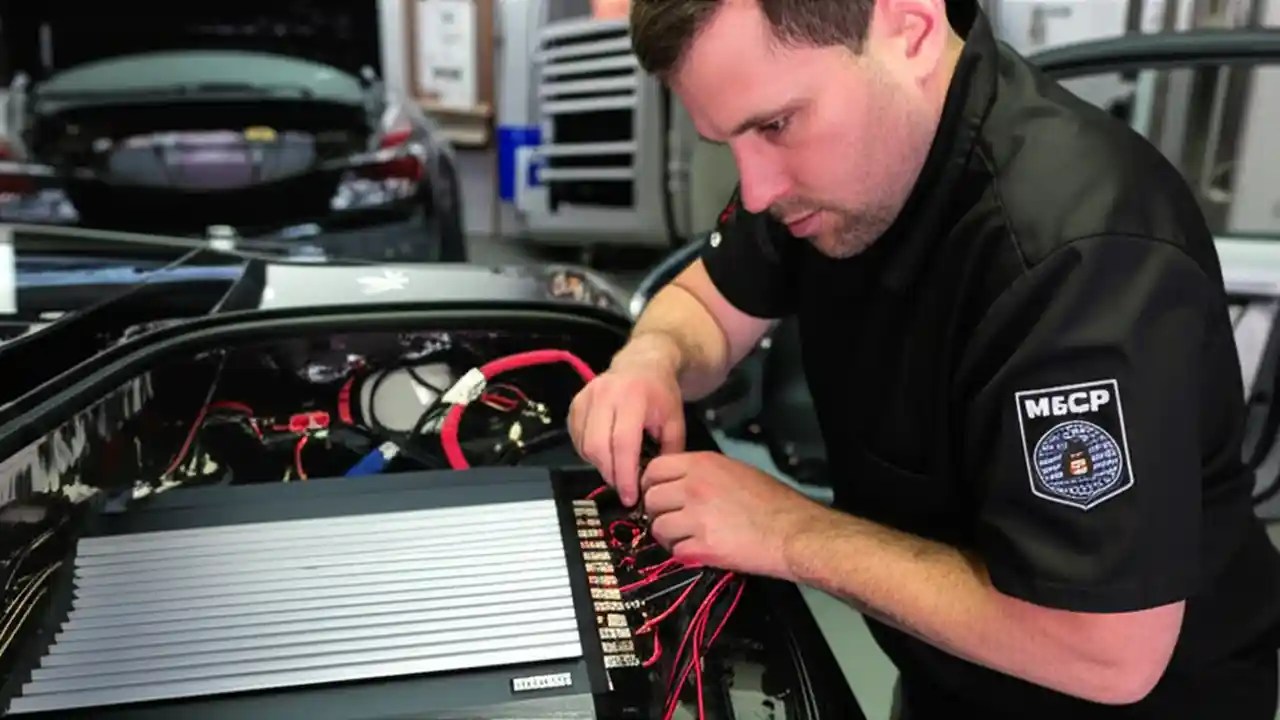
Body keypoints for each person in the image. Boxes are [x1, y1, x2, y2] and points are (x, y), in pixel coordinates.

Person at [566, 0, 1280, 717]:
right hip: (951, 680)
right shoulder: (829, 167)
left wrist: (785, 531)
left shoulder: (1078, 259)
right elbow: (706, 301)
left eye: (776, 125)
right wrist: (650, 361)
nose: (756, 190)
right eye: (731, 141)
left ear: (912, 31)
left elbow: (1106, 652)